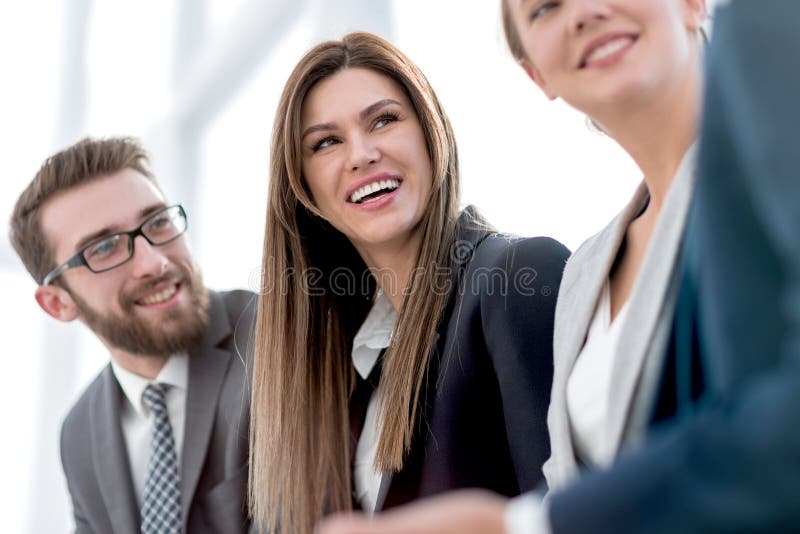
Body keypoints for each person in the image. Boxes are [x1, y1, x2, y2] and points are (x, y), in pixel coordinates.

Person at [317, 0, 800, 531]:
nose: (584, 11)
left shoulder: (775, 92)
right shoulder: (584, 275)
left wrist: (517, 524)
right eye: (545, 8)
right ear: (536, 73)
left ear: (692, 3)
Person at [247, 32, 570, 534]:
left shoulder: (513, 278)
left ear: (429, 130)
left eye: (384, 120)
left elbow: (568, 513)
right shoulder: (342, 361)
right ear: (302, 184)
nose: (361, 154)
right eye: (326, 142)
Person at [9, 137, 256, 534]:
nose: (154, 262)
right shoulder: (80, 433)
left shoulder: (276, 338)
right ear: (57, 303)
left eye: (159, 222)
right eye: (104, 247)